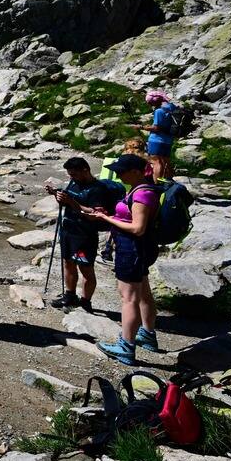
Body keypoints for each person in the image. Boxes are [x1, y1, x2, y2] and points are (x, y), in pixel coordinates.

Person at [82, 154, 161, 365]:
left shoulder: (142, 194)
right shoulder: (141, 189)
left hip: (132, 249)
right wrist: (109, 215)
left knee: (129, 298)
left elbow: (137, 227)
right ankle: (147, 334)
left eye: (121, 171)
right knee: (143, 291)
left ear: (135, 171)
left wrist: (107, 219)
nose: (117, 174)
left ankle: (126, 347)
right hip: (140, 248)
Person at [47, 157, 112, 313]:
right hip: (68, 231)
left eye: (74, 174)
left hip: (85, 235)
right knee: (68, 263)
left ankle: (85, 301)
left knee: (86, 268)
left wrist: (70, 201)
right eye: (69, 175)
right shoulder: (74, 183)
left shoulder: (97, 189)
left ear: (85, 170)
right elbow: (68, 202)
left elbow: (94, 214)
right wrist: (57, 195)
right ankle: (70, 295)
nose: (71, 177)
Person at [142, 90, 176, 180]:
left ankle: (157, 184)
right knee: (166, 162)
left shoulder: (159, 111)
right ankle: (170, 182)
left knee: (156, 162)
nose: (150, 105)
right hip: (168, 140)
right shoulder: (172, 107)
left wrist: (143, 127)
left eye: (150, 103)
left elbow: (156, 128)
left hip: (156, 140)